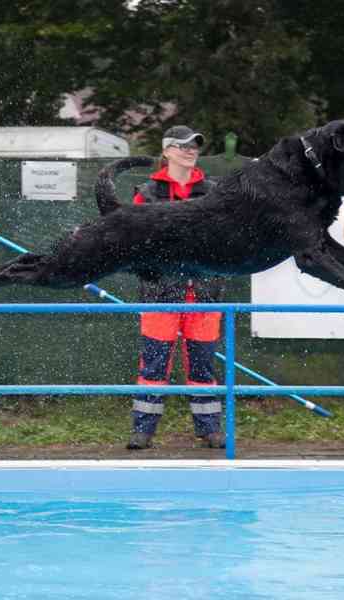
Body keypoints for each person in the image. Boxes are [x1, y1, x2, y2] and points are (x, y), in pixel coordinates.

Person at [127, 125, 227, 450]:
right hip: (159, 295)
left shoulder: (215, 192)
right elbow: (134, 240)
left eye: (195, 145)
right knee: (154, 365)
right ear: (167, 151)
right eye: (183, 146)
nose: (190, 150)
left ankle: (210, 430)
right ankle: (143, 431)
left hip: (204, 294)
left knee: (203, 365)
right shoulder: (146, 193)